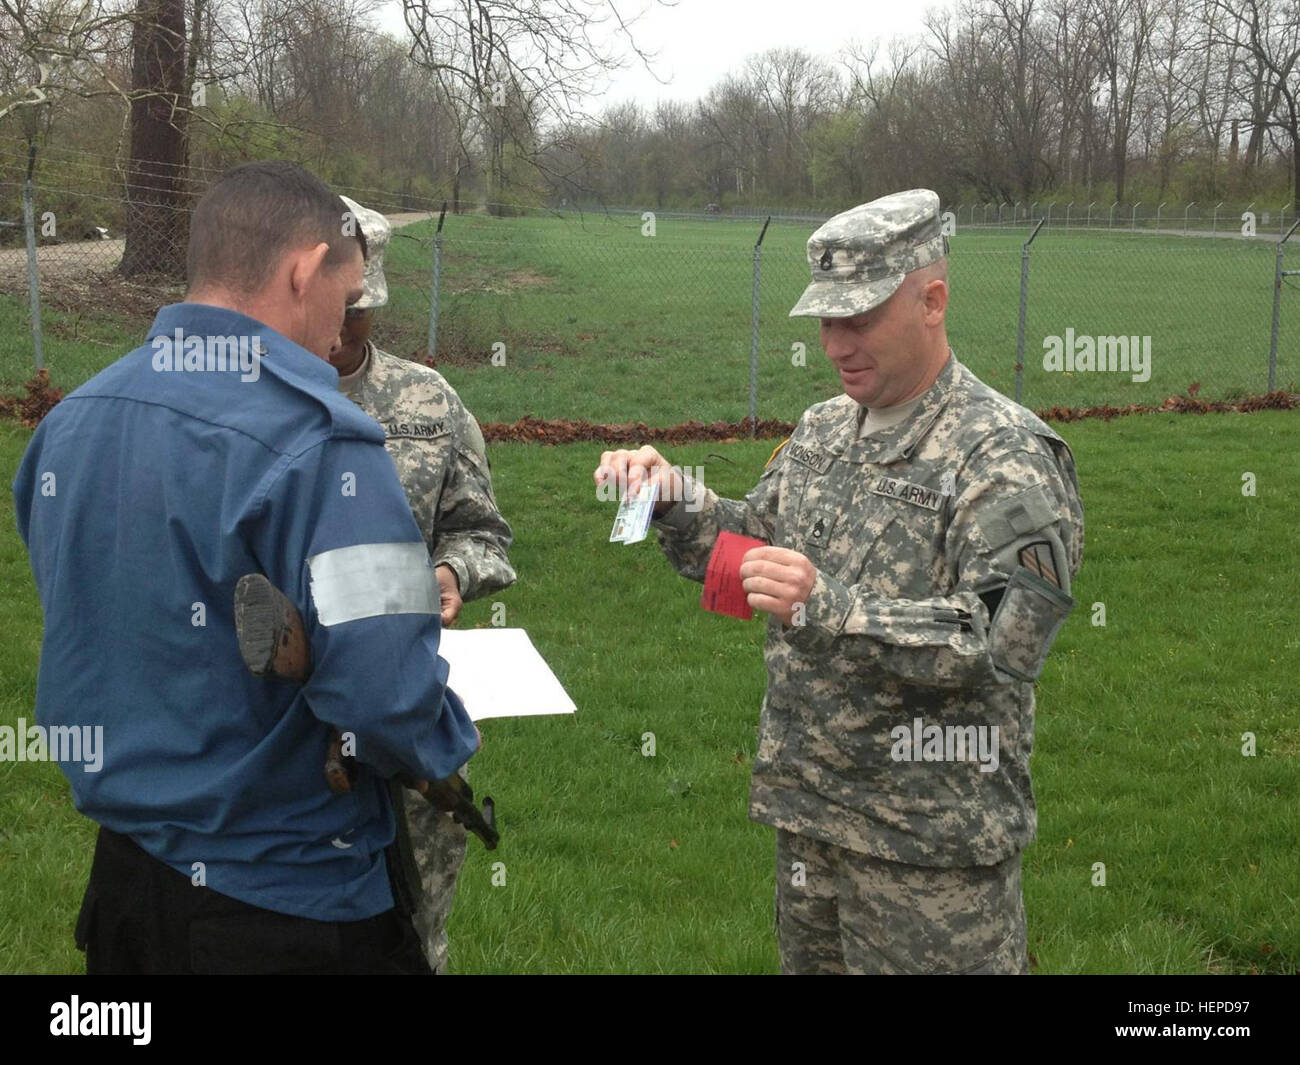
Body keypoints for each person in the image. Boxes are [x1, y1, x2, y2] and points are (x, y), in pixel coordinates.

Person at [593, 189, 1084, 975]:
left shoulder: (1003, 454)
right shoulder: (824, 430)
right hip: (812, 820)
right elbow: (754, 548)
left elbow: (1004, 641)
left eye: (858, 319)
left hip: (929, 852)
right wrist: (676, 499)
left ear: (933, 301)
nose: (835, 344)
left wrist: (838, 609)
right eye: (826, 320)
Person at [11, 160, 479, 975]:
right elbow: (384, 696)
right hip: (291, 902)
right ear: (304, 269)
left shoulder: (73, 426)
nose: (344, 328)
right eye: (346, 291)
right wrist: (446, 734)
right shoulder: (328, 449)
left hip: (126, 893)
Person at [329, 196, 516, 973]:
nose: (342, 330)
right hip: (289, 734)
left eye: (360, 312)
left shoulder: (428, 401)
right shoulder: (241, 404)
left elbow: (483, 530)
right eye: (334, 308)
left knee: (414, 933)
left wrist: (452, 571)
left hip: (412, 720)